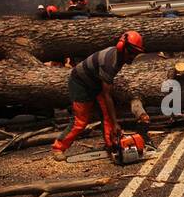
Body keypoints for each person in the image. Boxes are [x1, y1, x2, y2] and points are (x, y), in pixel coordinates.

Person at [52, 31, 146, 160]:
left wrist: (114, 123)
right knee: (81, 121)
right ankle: (58, 147)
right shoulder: (109, 62)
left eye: (136, 53)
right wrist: (116, 123)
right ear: (121, 47)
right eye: (131, 52)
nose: (133, 56)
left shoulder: (119, 57)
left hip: (96, 82)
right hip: (80, 83)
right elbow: (107, 94)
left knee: (108, 115)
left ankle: (112, 144)